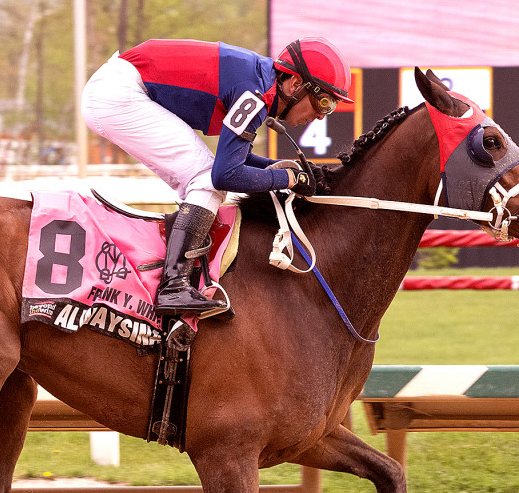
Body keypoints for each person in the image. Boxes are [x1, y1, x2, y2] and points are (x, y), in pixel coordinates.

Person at [81, 37, 354, 315]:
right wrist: (289, 179)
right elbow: (225, 175)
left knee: (205, 175)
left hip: (120, 87)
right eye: (323, 101)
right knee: (205, 179)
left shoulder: (260, 85)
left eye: (329, 106)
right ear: (295, 84)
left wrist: (283, 169)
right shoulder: (255, 94)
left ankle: (177, 279)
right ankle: (173, 287)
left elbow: (234, 159)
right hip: (119, 94)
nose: (322, 115)